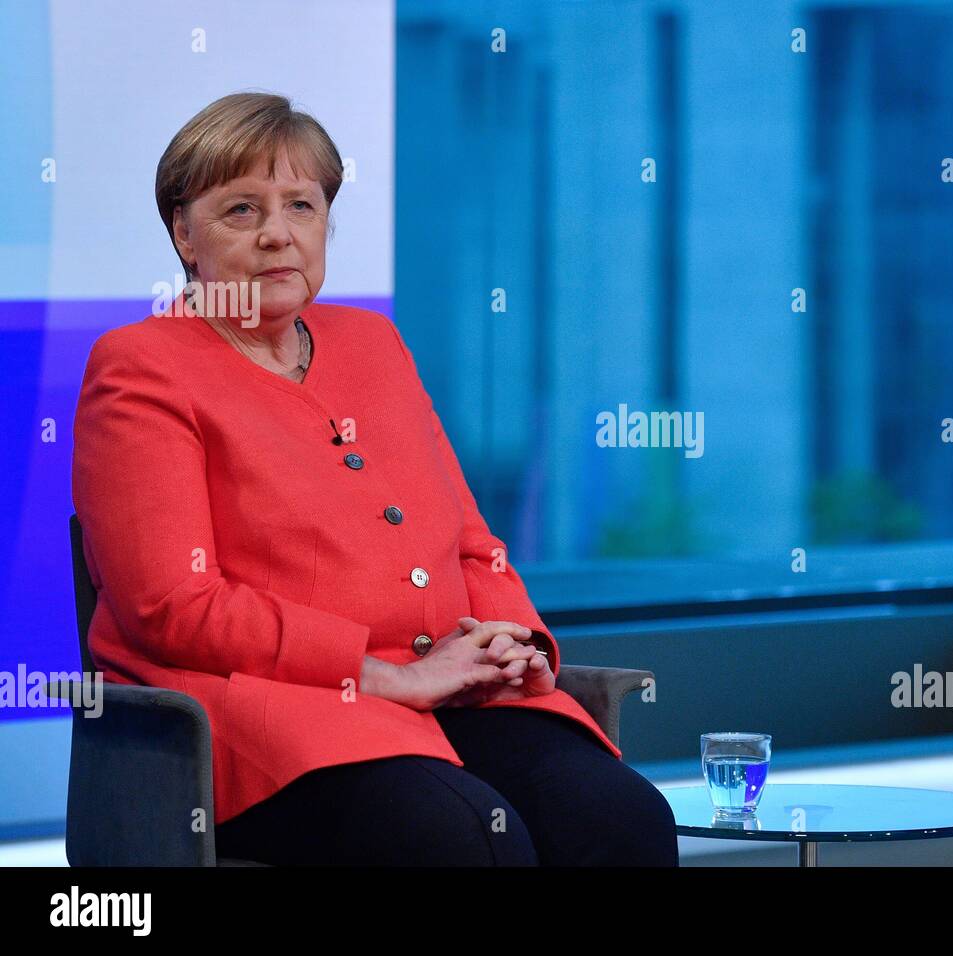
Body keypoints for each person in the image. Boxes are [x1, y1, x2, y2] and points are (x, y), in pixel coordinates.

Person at [70, 90, 678, 866]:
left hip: (446, 693)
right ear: (184, 234)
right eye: (242, 211)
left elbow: (468, 538)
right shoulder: (139, 365)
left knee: (619, 817)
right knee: (460, 839)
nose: (278, 235)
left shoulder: (372, 342)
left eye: (302, 204)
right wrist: (387, 676)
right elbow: (172, 607)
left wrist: (509, 639)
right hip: (269, 714)